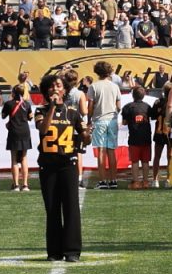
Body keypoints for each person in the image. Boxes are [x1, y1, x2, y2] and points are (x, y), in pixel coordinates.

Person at [37, 85, 84, 262]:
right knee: (52, 208)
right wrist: (52, 108)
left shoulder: (72, 112)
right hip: (48, 165)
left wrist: (87, 134)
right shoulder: (41, 110)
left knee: (71, 207)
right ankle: (54, 251)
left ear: (64, 90)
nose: (54, 89)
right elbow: (43, 130)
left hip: (68, 164)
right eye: (52, 86)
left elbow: (84, 136)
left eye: (58, 86)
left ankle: (72, 251)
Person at [86, 62, 123, 186]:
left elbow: (90, 106)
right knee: (111, 150)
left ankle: (102, 181)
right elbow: (119, 106)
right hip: (112, 120)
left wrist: (88, 120)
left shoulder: (93, 87)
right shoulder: (115, 86)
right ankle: (113, 180)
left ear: (97, 72)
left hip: (99, 120)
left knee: (101, 150)